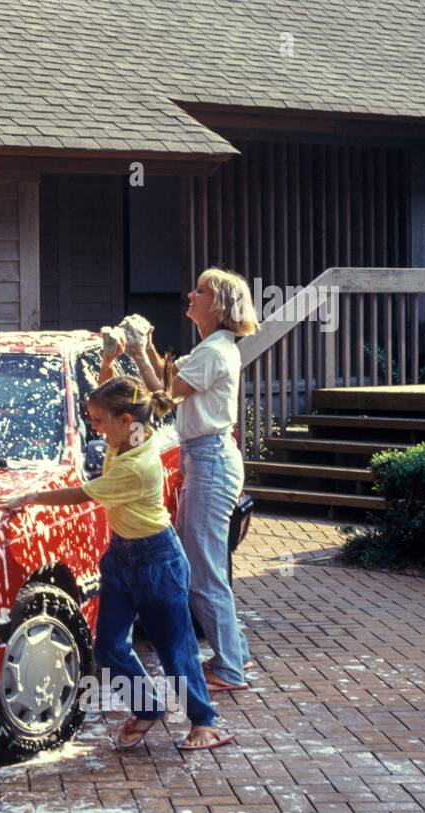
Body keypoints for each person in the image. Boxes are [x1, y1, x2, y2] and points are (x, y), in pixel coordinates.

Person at [0, 376, 233, 751]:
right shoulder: (129, 434)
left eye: (98, 420)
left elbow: (79, 494)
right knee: (107, 647)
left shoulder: (135, 465)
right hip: (121, 555)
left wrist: (30, 497)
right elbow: (115, 396)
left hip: (157, 561)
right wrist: (107, 362)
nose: (94, 427)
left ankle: (205, 721)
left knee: (175, 650)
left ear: (124, 421)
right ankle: (146, 707)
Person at [115, 268, 259, 692]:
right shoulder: (213, 347)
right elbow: (172, 383)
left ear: (219, 305)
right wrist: (146, 351)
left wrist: (140, 352)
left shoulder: (214, 351)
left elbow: (162, 397)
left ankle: (230, 669)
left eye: (201, 290)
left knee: (203, 570)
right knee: (204, 563)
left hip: (211, 459)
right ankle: (235, 654)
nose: (191, 294)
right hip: (209, 456)